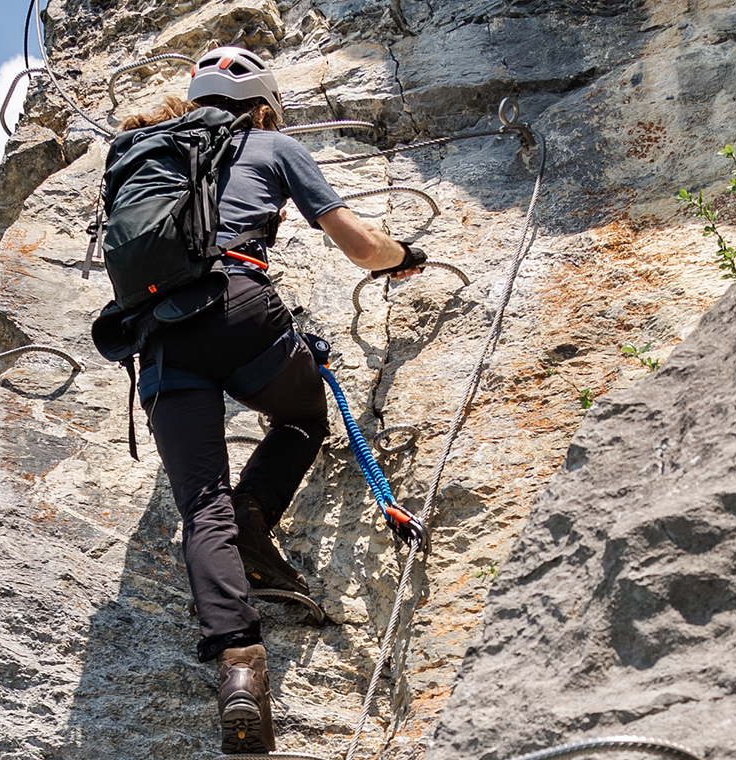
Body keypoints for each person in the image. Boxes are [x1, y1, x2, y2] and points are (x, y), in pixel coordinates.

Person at [114, 46, 424, 754]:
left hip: (158, 337)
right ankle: (255, 516)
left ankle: (241, 673)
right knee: (302, 416)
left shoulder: (142, 158)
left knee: (200, 503)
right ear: (262, 107)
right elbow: (360, 245)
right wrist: (404, 256)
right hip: (239, 309)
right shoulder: (272, 144)